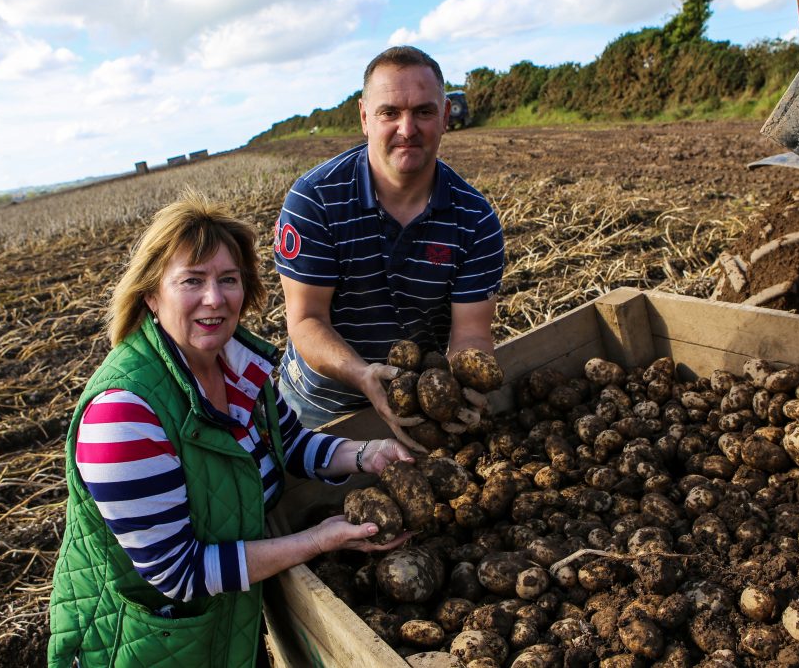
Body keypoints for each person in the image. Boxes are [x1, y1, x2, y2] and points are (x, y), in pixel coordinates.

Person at [48, 192, 414, 668]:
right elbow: (181, 572)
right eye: (192, 281)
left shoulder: (240, 368)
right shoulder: (123, 415)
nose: (214, 298)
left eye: (228, 279)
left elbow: (292, 444)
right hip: (144, 644)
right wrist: (319, 540)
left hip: (226, 627)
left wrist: (368, 454)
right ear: (151, 295)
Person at [274, 45, 505, 445]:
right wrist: (364, 375)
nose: (407, 129)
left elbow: (471, 333)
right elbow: (307, 321)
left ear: (446, 116)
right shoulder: (315, 201)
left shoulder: (475, 219)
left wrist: (454, 392)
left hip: (411, 406)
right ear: (365, 117)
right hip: (319, 410)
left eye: (424, 111)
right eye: (389, 113)